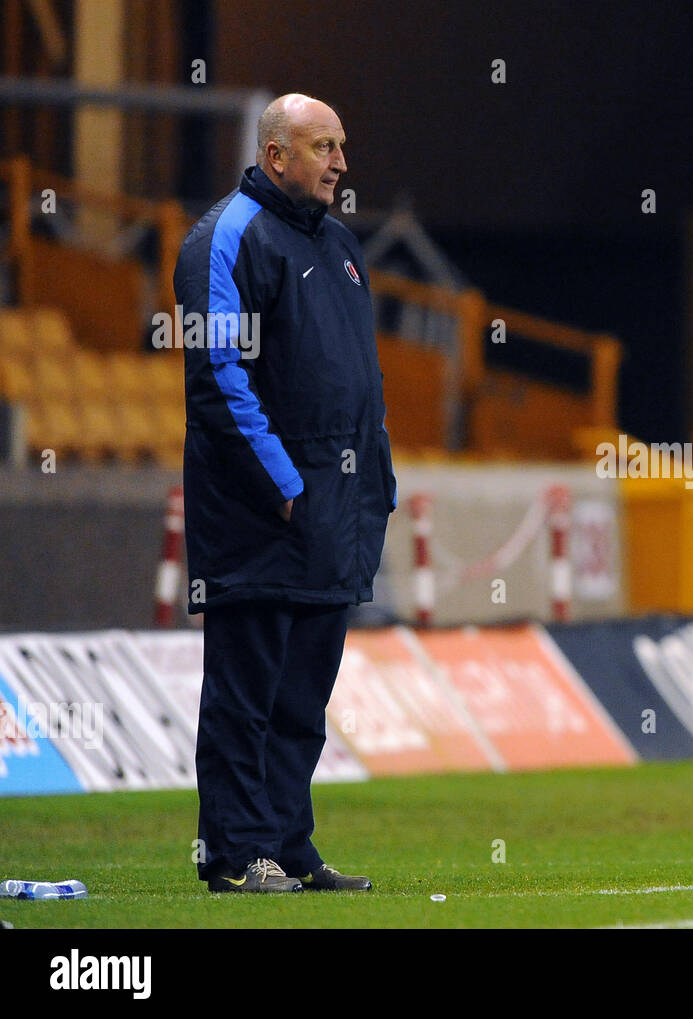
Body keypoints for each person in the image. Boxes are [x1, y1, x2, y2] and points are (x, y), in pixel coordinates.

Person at [175, 93, 397, 892]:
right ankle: (235, 854)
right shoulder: (225, 239)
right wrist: (285, 486)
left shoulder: (338, 243)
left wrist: (374, 483)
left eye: (340, 146)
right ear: (276, 156)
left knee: (303, 696)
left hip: (336, 512)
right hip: (261, 515)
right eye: (322, 147)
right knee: (247, 694)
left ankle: (288, 844)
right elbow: (219, 379)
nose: (340, 162)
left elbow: (356, 382)